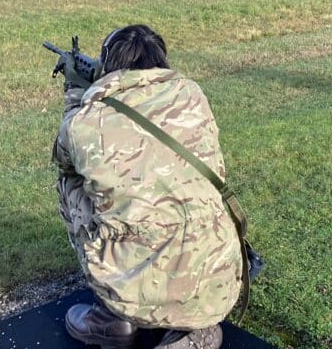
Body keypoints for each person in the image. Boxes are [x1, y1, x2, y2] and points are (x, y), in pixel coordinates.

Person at [53, 25, 241, 349]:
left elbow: (64, 157)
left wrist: (76, 95)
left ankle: (113, 317)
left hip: (133, 291)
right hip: (218, 279)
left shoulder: (88, 119)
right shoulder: (193, 94)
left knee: (70, 183)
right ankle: (194, 328)